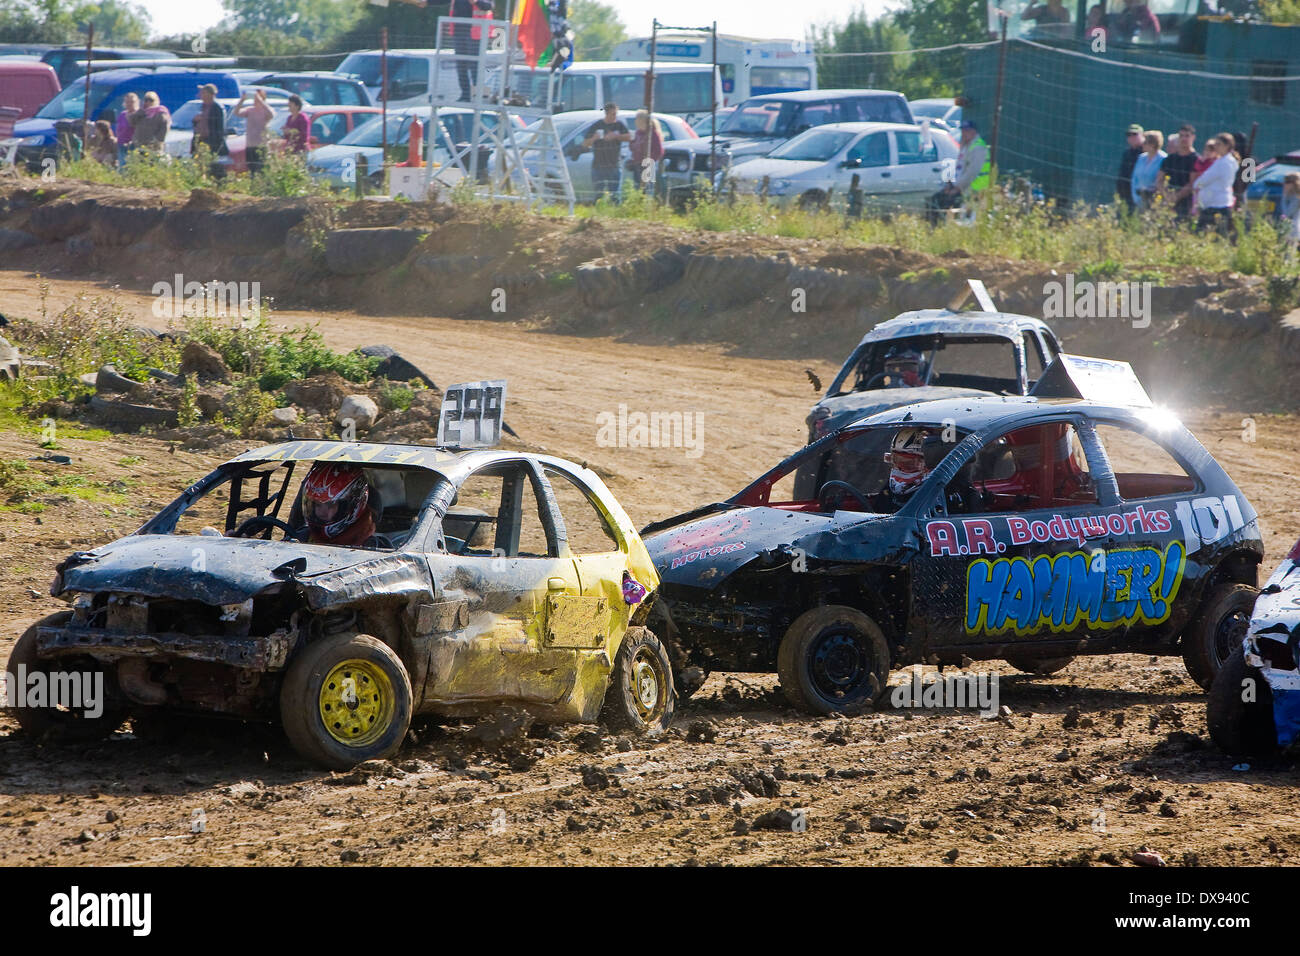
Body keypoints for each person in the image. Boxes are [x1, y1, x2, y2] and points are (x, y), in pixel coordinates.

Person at [300, 463, 381, 548]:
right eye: (317, 504)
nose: (322, 512)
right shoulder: (302, 538)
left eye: (330, 505)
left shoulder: (376, 548)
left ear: (352, 505)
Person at [926, 119, 989, 225]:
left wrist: (957, 188)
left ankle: (941, 227)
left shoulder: (978, 147)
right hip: (961, 186)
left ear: (973, 132)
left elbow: (971, 172)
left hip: (974, 188)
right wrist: (950, 183)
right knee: (934, 200)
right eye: (963, 131)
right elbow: (959, 167)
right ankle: (933, 228)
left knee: (945, 204)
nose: (964, 134)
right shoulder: (965, 146)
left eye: (967, 131)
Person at [1193, 133, 1238, 239]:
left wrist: (1196, 184)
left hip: (1216, 205)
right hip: (1215, 203)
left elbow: (1205, 179)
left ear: (1227, 146)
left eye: (1219, 144)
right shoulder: (1225, 160)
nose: (1216, 147)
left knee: (1203, 236)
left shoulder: (1224, 163)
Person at [583, 103, 630, 201]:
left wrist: (616, 136)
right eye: (613, 114)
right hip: (598, 165)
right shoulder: (597, 125)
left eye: (616, 114)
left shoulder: (619, 125)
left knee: (615, 195)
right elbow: (585, 144)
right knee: (598, 195)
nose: (615, 116)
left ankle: (615, 214)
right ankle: (598, 213)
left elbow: (629, 137)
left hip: (614, 165)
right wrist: (594, 138)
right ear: (606, 114)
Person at [192, 83, 230, 179]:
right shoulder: (204, 106)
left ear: (210, 94)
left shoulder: (217, 108)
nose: (200, 95)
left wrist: (215, 144)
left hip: (213, 143)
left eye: (203, 93)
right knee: (202, 166)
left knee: (215, 168)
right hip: (202, 141)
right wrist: (196, 121)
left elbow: (219, 128)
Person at [235, 88, 275, 176]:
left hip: (261, 145)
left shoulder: (266, 111)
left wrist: (260, 100)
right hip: (250, 145)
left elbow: (271, 114)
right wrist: (242, 100)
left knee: (261, 168)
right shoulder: (250, 110)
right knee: (251, 169)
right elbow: (236, 112)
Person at [1162, 124, 1197, 220]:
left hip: (1187, 204)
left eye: (1187, 136)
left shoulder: (1196, 159)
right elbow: (1159, 179)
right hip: (1166, 203)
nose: (1184, 139)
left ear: (1193, 137)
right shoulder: (1170, 159)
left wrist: (1176, 197)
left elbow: (1192, 183)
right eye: (1181, 136)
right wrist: (1167, 196)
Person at [627, 109, 663, 194]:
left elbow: (659, 151)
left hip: (648, 166)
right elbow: (633, 148)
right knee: (638, 189)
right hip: (637, 165)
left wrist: (649, 161)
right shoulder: (638, 133)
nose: (635, 121)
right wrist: (631, 142)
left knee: (647, 190)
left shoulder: (652, 134)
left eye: (636, 119)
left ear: (641, 120)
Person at [1130, 129, 1165, 209]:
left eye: (1145, 142)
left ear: (1152, 144)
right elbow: (1134, 179)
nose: (1142, 144)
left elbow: (1161, 182)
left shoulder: (1164, 159)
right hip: (1138, 200)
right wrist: (1136, 198)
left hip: (1155, 202)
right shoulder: (1141, 158)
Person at [1116, 123, 1143, 213]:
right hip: (1125, 194)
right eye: (1129, 135)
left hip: (1140, 194)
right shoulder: (1127, 153)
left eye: (1135, 134)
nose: (1131, 137)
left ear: (1142, 135)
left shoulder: (1145, 153)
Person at [114, 92, 138, 167]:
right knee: (122, 166)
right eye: (127, 102)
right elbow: (118, 128)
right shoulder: (123, 114)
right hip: (121, 144)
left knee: (130, 165)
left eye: (132, 102)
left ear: (136, 102)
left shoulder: (138, 115)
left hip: (133, 145)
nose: (129, 104)